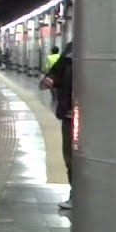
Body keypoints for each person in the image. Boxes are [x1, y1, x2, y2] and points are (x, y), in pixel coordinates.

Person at [41, 41, 73, 209]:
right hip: (70, 116)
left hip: (95, 119)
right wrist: (50, 79)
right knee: (69, 158)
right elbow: (54, 74)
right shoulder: (69, 52)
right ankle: (74, 193)